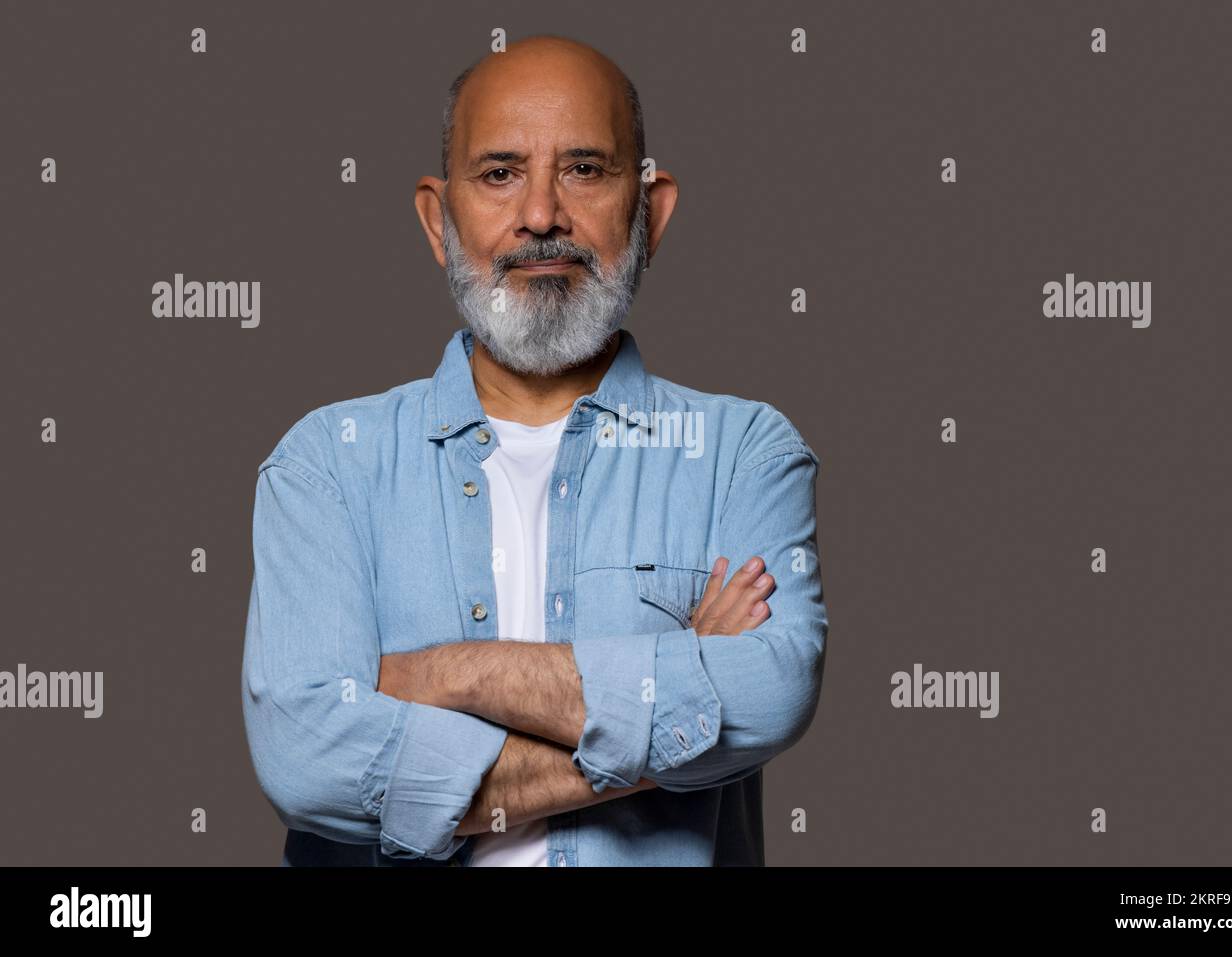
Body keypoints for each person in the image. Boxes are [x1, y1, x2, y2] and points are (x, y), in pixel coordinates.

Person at [241, 34, 827, 866]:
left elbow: (768, 694)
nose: (542, 214)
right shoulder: (325, 466)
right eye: (499, 173)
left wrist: (437, 673)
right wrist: (674, 694)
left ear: (650, 212)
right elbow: (306, 760)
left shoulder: (744, 454)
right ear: (438, 221)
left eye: (585, 169)